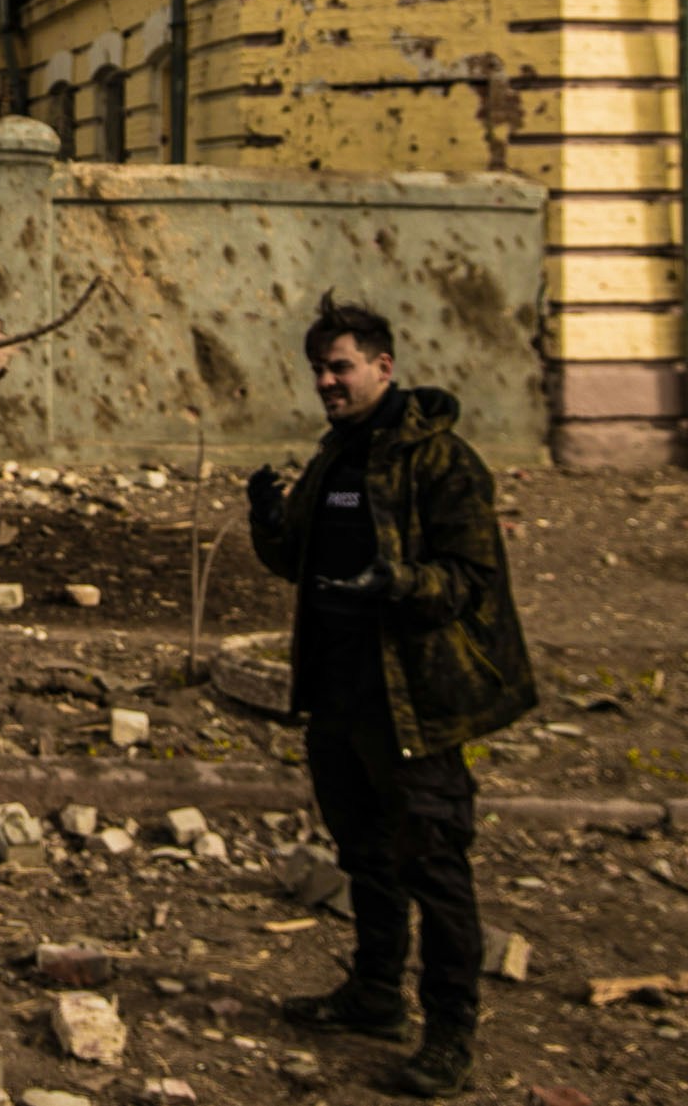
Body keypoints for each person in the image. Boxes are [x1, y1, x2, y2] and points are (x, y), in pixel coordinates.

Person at [247, 293, 537, 1099]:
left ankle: (449, 1034)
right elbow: (295, 561)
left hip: (414, 702)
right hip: (337, 695)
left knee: (435, 866)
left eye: (339, 366)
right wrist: (268, 520)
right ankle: (375, 995)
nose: (326, 382)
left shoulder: (442, 463)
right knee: (364, 855)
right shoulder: (334, 458)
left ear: (384, 366)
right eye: (318, 369)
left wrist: (399, 582)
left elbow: (472, 578)